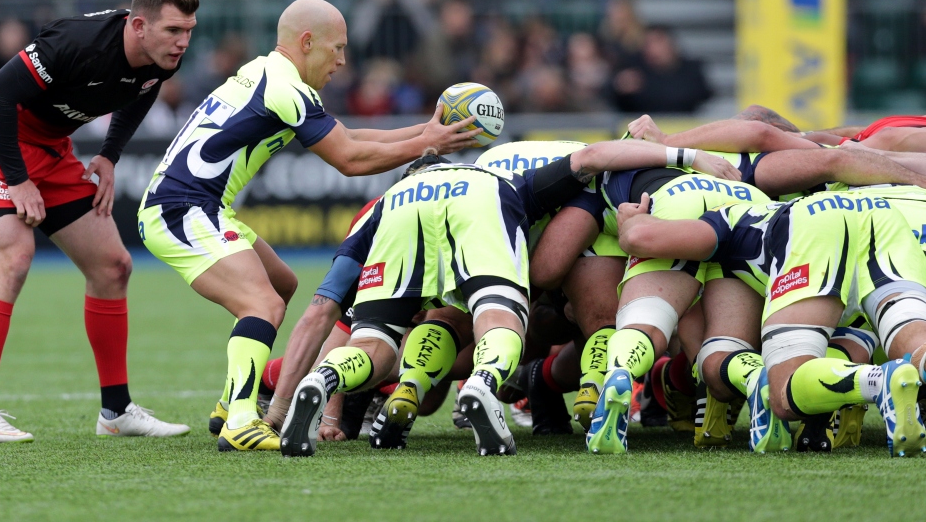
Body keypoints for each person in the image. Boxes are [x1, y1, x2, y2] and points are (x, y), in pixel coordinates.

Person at [137, 0, 482, 452]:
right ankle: (241, 419)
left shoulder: (271, 74)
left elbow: (350, 136)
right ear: (307, 42)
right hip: (182, 208)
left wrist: (427, 135)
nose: (342, 61)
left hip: (199, 206)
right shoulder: (287, 89)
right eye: (336, 48)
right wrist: (426, 145)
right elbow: (350, 159)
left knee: (281, 284)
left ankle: (229, 403)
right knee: (261, 303)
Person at [277, 139, 740, 457]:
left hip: (405, 221)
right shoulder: (498, 177)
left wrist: (290, 409)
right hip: (495, 208)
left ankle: (328, 379)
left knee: (376, 343)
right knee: (512, 319)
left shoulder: (382, 204)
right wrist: (689, 153)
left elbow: (323, 311)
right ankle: (489, 383)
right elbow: (593, 158)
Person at [0, 0, 199, 443]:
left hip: (50, 146)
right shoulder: (75, 42)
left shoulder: (163, 56)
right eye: (174, 30)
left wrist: (109, 154)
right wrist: (19, 181)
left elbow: (143, 90)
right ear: (139, 25)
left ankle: (116, 412)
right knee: (14, 258)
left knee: (113, 267)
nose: (183, 42)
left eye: (188, 31)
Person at [617, 189, 926, 457]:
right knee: (916, 346)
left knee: (784, 393)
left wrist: (631, 221)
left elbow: (639, 238)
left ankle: (879, 381)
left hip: (816, 225)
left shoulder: (725, 217)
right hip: (885, 217)